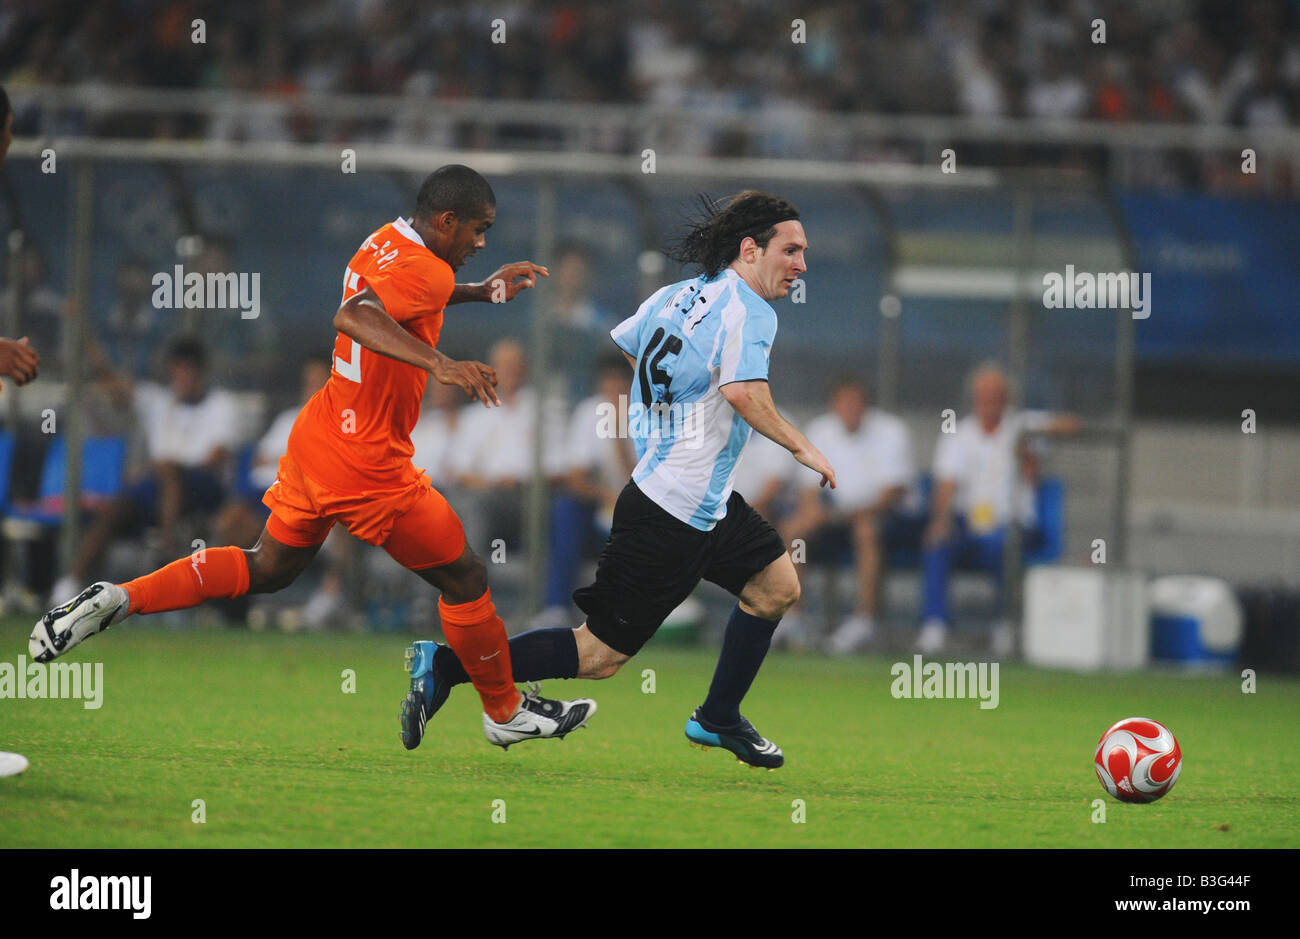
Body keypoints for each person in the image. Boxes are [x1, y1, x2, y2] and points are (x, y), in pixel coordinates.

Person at [30, 164, 595, 751]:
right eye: (478, 229)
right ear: (447, 220)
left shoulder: (388, 239)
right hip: (367, 463)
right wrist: (441, 364)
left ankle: (121, 598)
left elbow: (401, 293)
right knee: (466, 575)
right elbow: (355, 315)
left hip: (321, 432)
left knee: (269, 567)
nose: (482, 243)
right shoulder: (424, 266)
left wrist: (480, 291)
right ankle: (503, 710)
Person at [402, 190, 835, 770]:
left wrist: (663, 423)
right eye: (792, 249)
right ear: (750, 249)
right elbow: (744, 393)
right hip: (671, 510)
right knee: (598, 654)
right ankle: (448, 666)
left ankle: (718, 717)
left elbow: (631, 346)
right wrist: (806, 447)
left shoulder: (675, 295)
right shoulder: (751, 312)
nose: (802, 264)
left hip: (701, 498)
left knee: (776, 587)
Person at [50, 336, 242, 602]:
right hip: (156, 488)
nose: (183, 375)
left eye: (190, 369)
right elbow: (114, 386)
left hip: (202, 487)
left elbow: (215, 459)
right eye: (178, 368)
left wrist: (160, 468)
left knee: (169, 470)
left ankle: (167, 554)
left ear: (201, 372)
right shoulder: (159, 401)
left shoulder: (222, 405)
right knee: (117, 507)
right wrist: (89, 344)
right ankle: (73, 585)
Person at [917, 362, 1079, 655]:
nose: (989, 402)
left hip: (1014, 525)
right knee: (937, 544)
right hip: (968, 525)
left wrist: (1036, 437)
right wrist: (941, 521)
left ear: (1007, 398)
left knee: (1005, 545)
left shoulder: (1023, 426)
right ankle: (935, 626)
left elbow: (1071, 425)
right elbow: (946, 485)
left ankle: (1004, 625)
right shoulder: (958, 433)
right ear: (974, 398)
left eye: (996, 395)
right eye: (984, 395)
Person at [781, 377, 913, 653]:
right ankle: (794, 616)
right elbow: (808, 488)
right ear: (835, 404)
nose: (851, 408)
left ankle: (864, 620)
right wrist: (815, 511)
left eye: (857, 402)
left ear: (866, 404)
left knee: (866, 530)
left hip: (885, 521)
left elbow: (891, 494)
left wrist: (844, 514)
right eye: (845, 402)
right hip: (831, 520)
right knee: (794, 531)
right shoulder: (820, 429)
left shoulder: (891, 430)